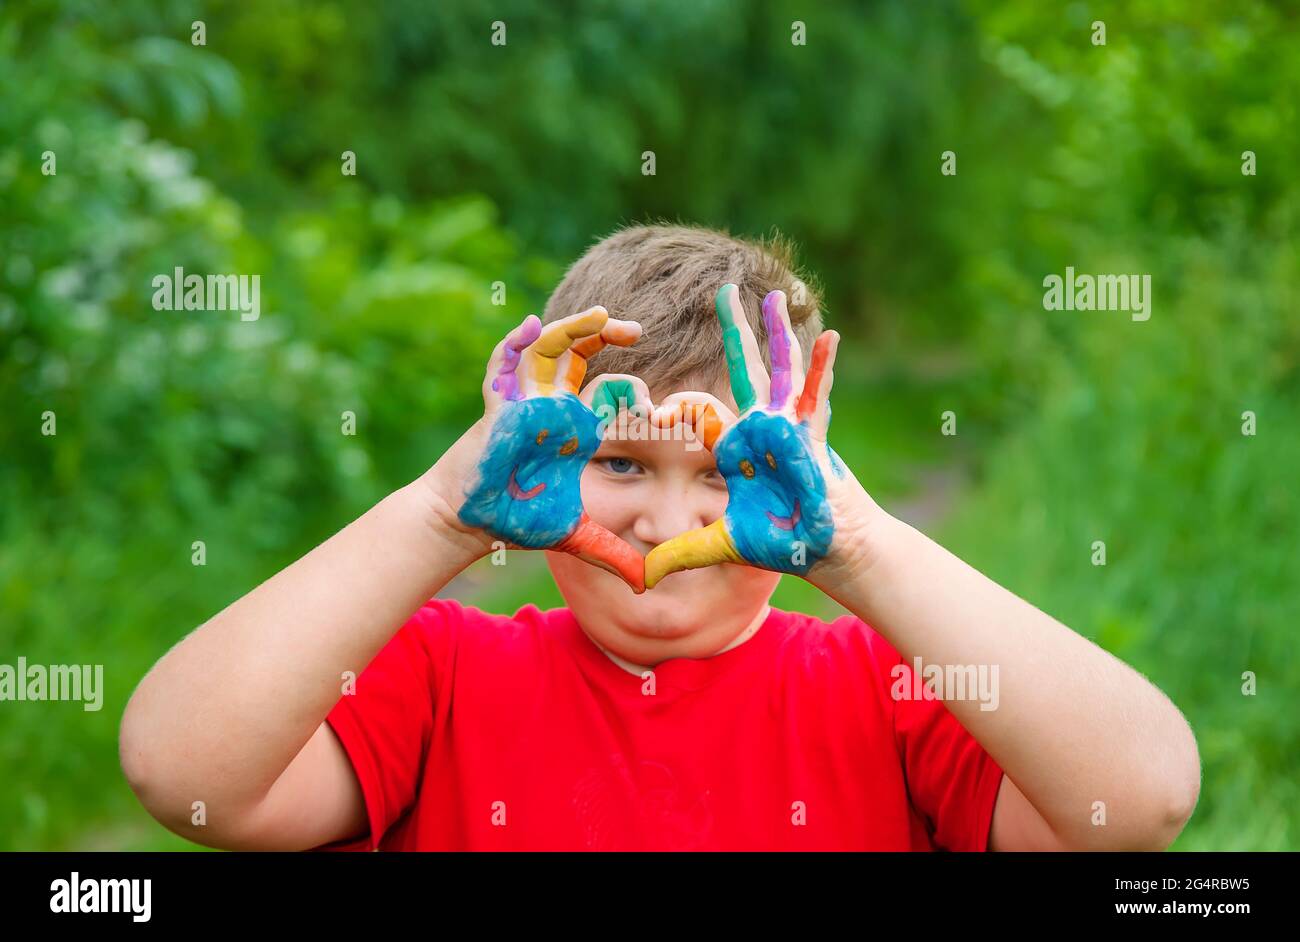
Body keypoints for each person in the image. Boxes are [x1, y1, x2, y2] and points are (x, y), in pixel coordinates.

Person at [120, 224, 1201, 851]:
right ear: (537, 460)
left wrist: (861, 547)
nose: (666, 521)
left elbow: (1141, 801)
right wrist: (440, 512)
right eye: (621, 464)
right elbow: (182, 775)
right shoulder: (441, 675)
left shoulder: (890, 690)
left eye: (725, 473)